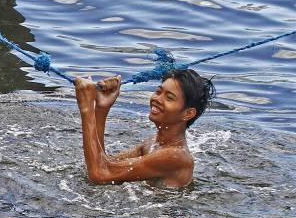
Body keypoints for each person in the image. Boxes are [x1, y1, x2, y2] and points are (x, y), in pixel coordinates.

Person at [73, 69, 215, 187]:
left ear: (188, 114)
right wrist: (101, 109)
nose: (157, 99)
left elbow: (100, 174)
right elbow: (102, 165)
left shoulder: (176, 156)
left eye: (169, 98)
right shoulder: (153, 143)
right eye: (159, 92)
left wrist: (87, 109)